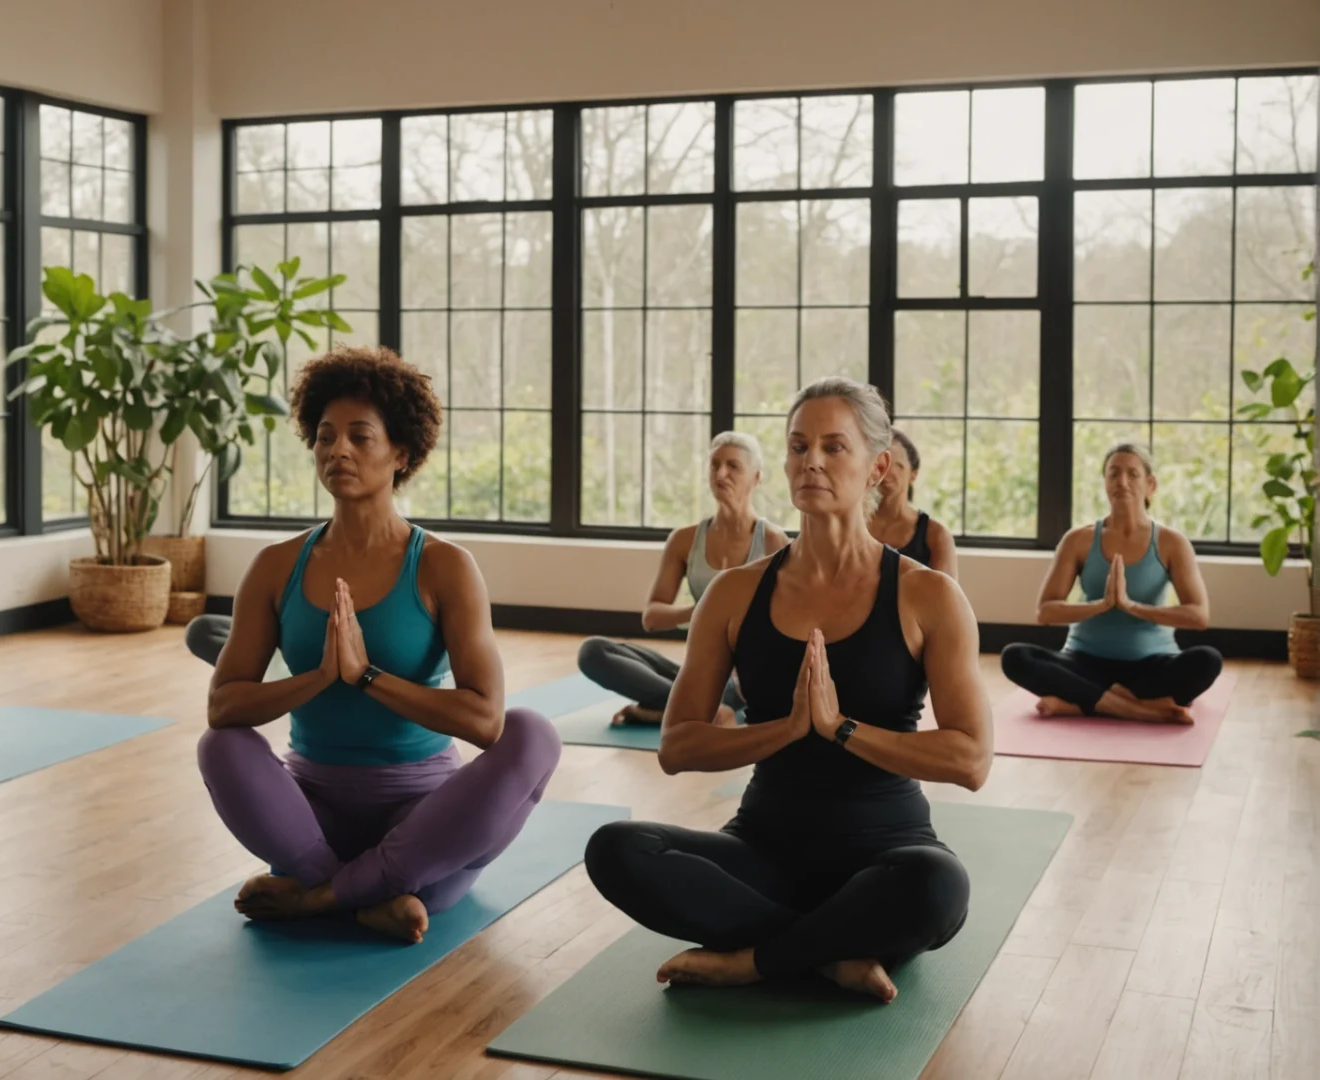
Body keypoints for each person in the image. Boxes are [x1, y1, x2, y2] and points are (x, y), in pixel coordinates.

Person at [584, 377, 992, 1004]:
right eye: (799, 447)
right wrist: (788, 729)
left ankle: (755, 958)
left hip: (885, 854)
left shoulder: (927, 594)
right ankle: (828, 955)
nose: (812, 463)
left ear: (878, 465)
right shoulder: (735, 592)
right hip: (762, 852)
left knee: (940, 886)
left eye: (834, 448)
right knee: (616, 848)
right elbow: (677, 746)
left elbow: (970, 760)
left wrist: (841, 729)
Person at [196, 344, 561, 944]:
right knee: (220, 746)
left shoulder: (445, 567)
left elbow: (486, 720)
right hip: (311, 814)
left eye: (360, 437)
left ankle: (319, 894)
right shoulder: (273, 566)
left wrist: (367, 675)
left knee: (534, 734)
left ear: (401, 454)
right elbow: (224, 705)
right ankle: (371, 891)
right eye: (324, 435)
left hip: (423, 816)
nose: (337, 449)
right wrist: (319, 676)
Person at [576, 433, 788, 727]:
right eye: (714, 465)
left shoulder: (774, 542)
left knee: (748, 678)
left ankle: (676, 709)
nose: (721, 473)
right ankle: (692, 709)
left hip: (744, 676)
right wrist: (704, 610)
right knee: (593, 651)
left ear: (756, 479)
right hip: (697, 670)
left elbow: (787, 624)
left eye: (733, 466)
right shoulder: (684, 540)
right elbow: (652, 617)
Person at [1000, 443, 1221, 724]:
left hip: (1152, 665)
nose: (1122, 481)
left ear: (1151, 485)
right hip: (1083, 663)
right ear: (1105, 482)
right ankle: (1137, 708)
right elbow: (1046, 611)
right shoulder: (1078, 540)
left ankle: (1082, 704)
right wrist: (1101, 605)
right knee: (1015, 657)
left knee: (1207, 660)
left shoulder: (1171, 543)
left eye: (1133, 474)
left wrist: (1131, 607)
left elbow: (1199, 616)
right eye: (1113, 473)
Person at [868, 428, 958, 578]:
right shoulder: (849, 524)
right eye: (880, 465)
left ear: (913, 475)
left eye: (898, 466)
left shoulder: (936, 535)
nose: (888, 472)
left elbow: (947, 597)